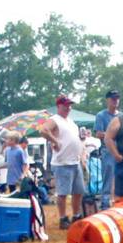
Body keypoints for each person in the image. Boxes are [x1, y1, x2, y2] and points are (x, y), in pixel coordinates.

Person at [41, 95, 85, 229]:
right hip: (62, 162)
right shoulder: (55, 119)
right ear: (59, 106)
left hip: (75, 161)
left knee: (79, 191)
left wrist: (82, 156)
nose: (68, 108)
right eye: (66, 105)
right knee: (63, 193)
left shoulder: (71, 122)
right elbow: (44, 130)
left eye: (70, 105)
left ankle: (76, 215)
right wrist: (54, 141)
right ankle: (62, 218)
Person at [93, 91, 121, 209]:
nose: (115, 101)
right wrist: (111, 135)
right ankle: (105, 203)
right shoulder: (101, 115)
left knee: (121, 176)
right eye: (113, 99)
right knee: (108, 176)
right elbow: (98, 134)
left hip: (121, 149)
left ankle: (120, 201)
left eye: (117, 99)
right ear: (108, 100)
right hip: (107, 150)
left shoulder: (122, 116)